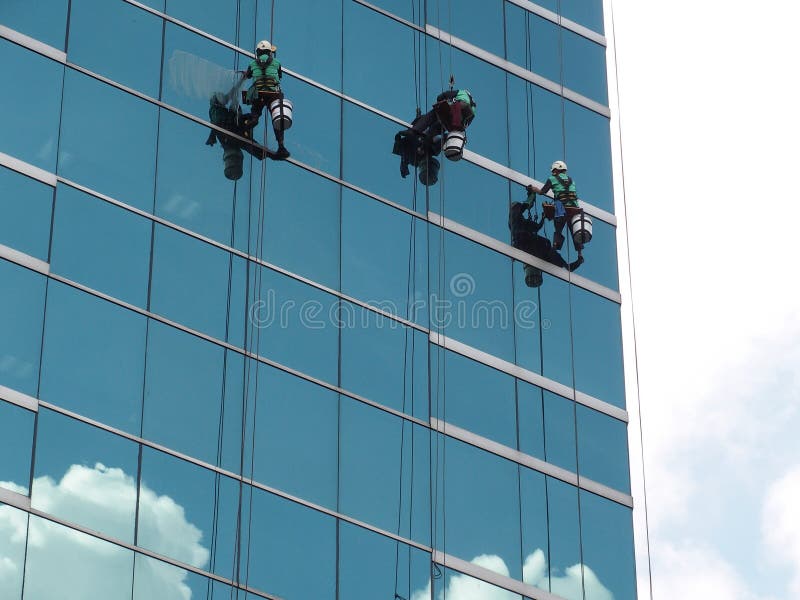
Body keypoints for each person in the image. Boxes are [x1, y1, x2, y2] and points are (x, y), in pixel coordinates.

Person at [509, 185, 583, 287]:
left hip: (526, 243)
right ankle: (566, 265)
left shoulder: (520, 221)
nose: (519, 209)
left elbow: (537, 227)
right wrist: (531, 194)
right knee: (546, 245)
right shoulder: (514, 217)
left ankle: (566, 266)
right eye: (517, 207)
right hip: (523, 241)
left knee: (547, 248)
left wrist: (543, 218)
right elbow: (526, 205)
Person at [241, 40, 290, 159]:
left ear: (257, 52)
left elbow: (247, 75)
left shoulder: (252, 63)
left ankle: (248, 124)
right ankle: (281, 146)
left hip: (259, 94)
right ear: (269, 52)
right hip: (273, 94)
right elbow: (279, 76)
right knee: (277, 118)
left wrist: (246, 73)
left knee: (255, 113)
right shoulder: (277, 62)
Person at [206, 93, 267, 180]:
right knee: (248, 144)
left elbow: (217, 125)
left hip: (230, 137)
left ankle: (261, 152)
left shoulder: (219, 111)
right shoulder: (216, 111)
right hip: (230, 137)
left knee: (249, 144)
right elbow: (217, 125)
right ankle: (261, 152)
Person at [529, 161, 581, 252]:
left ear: (557, 170)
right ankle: (580, 253)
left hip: (561, 205)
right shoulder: (571, 180)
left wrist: (532, 188)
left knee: (558, 227)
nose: (553, 172)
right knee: (573, 229)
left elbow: (542, 192)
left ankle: (555, 247)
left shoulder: (552, 179)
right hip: (574, 207)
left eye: (553, 171)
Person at [392, 109, 444, 184]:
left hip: (417, 141)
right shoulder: (431, 147)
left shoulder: (412, 154)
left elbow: (404, 154)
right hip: (418, 140)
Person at [409, 89, 476, 135]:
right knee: (442, 126)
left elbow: (444, 95)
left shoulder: (462, 92)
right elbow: (468, 122)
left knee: (433, 115)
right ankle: (429, 138)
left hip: (455, 109)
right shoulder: (473, 107)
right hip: (456, 123)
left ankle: (415, 130)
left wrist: (440, 100)